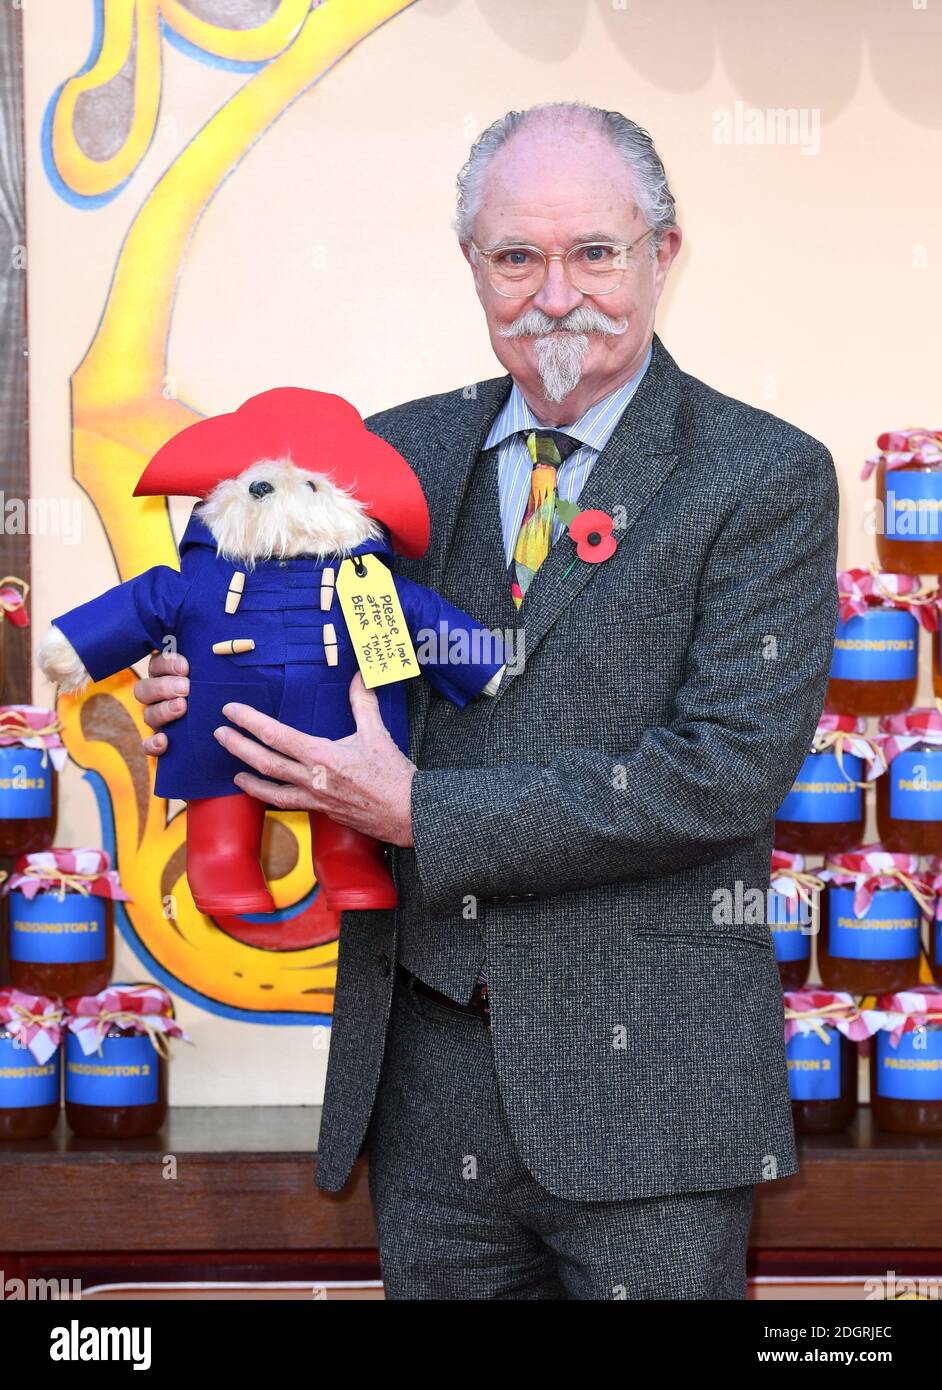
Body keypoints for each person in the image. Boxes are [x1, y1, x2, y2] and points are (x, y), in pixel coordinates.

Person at [133, 101, 839, 1300]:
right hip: (424, 1080)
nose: (555, 293)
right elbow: (320, 668)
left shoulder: (764, 474)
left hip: (648, 1101)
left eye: (594, 253)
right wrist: (215, 687)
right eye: (517, 256)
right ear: (474, 266)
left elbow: (721, 771)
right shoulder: (389, 458)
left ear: (664, 254)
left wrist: (419, 809)